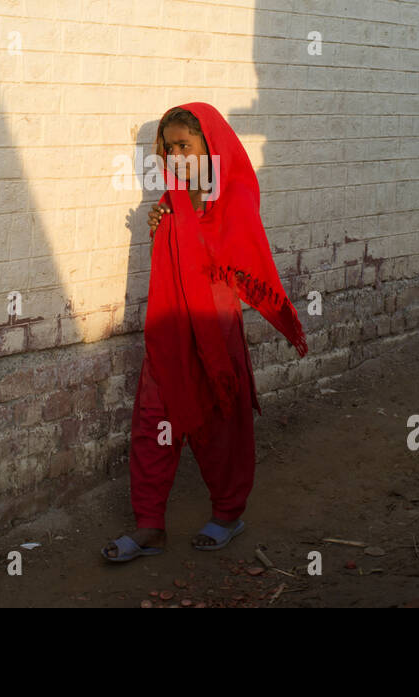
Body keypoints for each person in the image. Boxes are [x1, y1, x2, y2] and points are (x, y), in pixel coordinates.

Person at [102, 102, 308, 562]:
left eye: (184, 145)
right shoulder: (169, 200)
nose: (176, 156)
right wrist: (164, 224)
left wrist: (186, 226)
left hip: (213, 332)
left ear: (208, 144)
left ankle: (228, 513)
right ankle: (150, 524)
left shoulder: (232, 196)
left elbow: (235, 257)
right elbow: (175, 256)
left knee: (220, 423)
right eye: (168, 147)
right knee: (154, 422)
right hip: (170, 331)